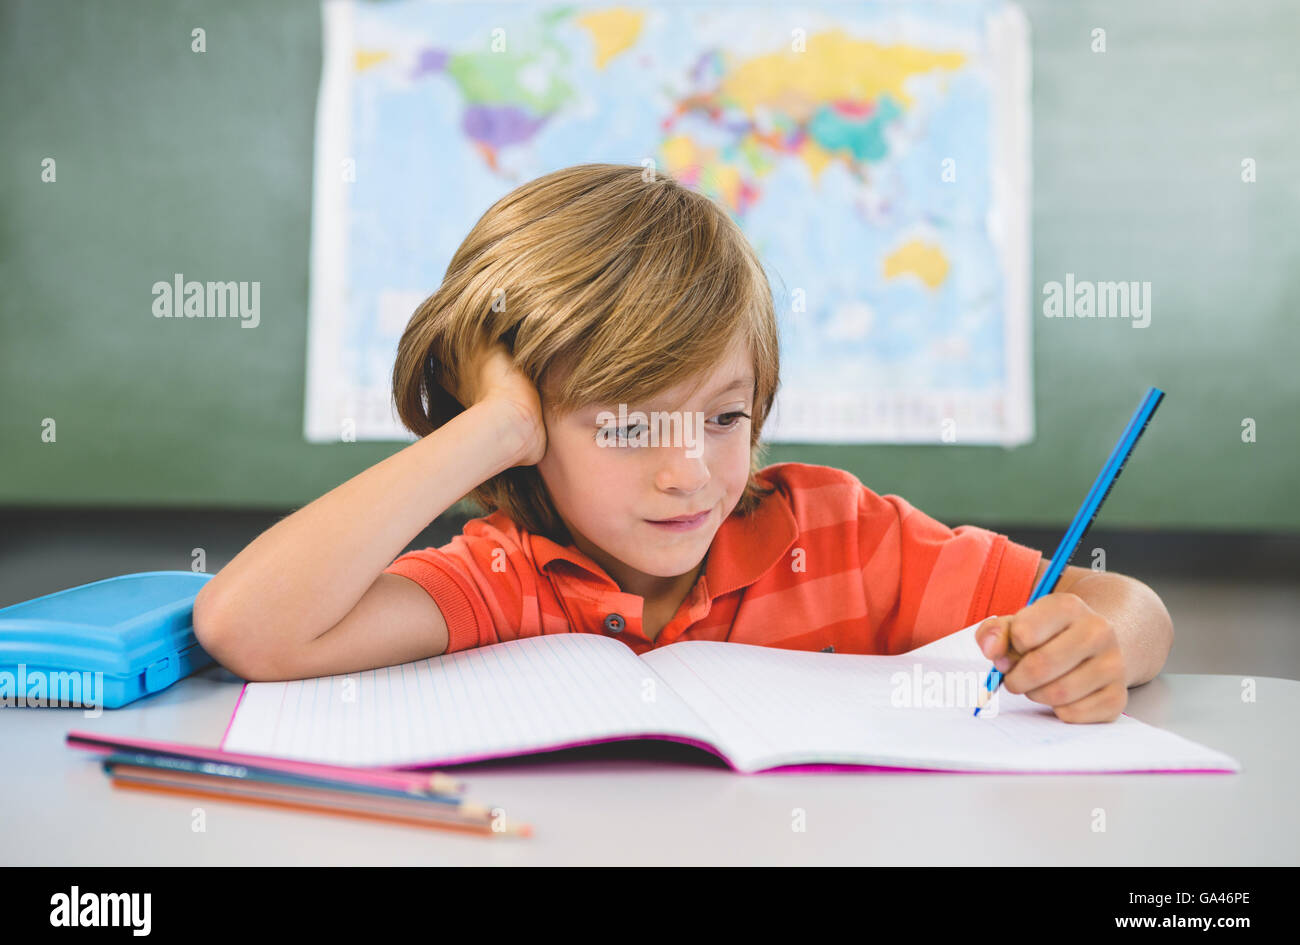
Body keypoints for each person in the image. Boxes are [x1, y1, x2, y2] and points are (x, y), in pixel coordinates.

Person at [195, 163, 1173, 723]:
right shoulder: (506, 578)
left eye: (723, 416)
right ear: (526, 430)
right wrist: (487, 427)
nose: (691, 469)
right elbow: (251, 627)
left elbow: (1127, 607)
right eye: (627, 423)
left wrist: (1100, 643)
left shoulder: (841, 538)